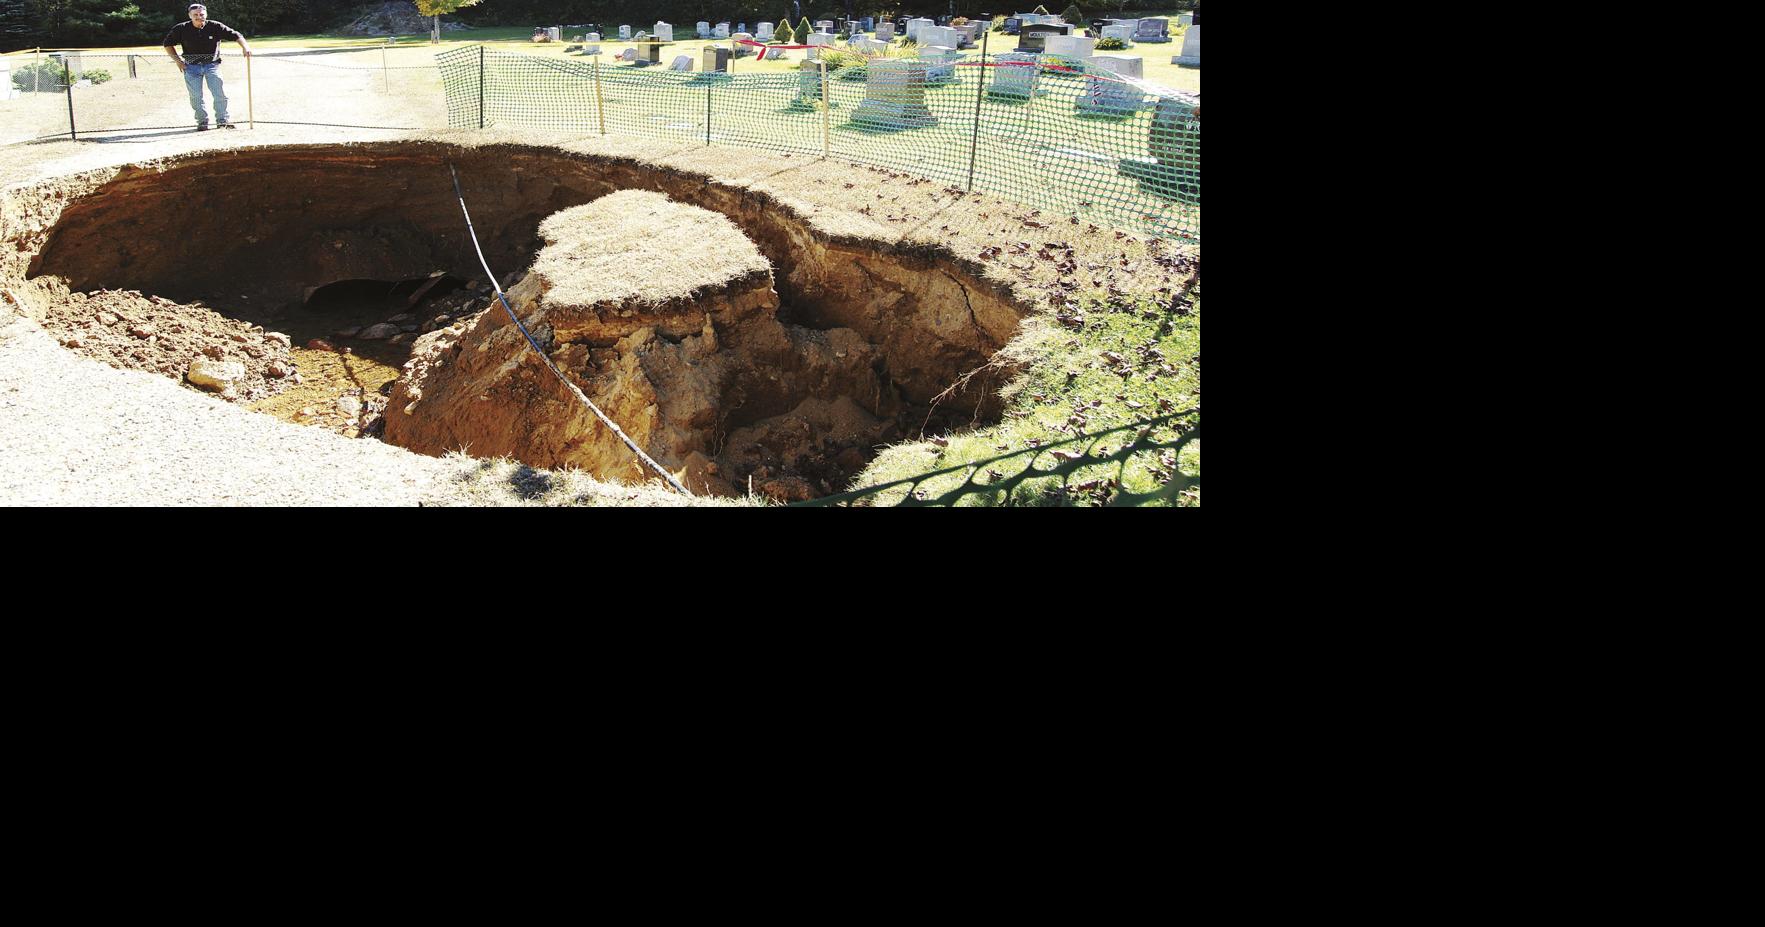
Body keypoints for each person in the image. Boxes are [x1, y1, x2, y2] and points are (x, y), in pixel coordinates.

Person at [162, 4, 252, 131]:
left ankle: (222, 122)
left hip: (212, 66)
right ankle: (202, 122)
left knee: (219, 94)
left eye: (201, 14)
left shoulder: (215, 26)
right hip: (191, 67)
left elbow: (236, 35)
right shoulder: (181, 28)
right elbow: (167, 44)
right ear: (190, 16)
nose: (199, 17)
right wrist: (178, 61)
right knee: (196, 96)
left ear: (206, 14)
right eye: (195, 15)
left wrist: (245, 47)